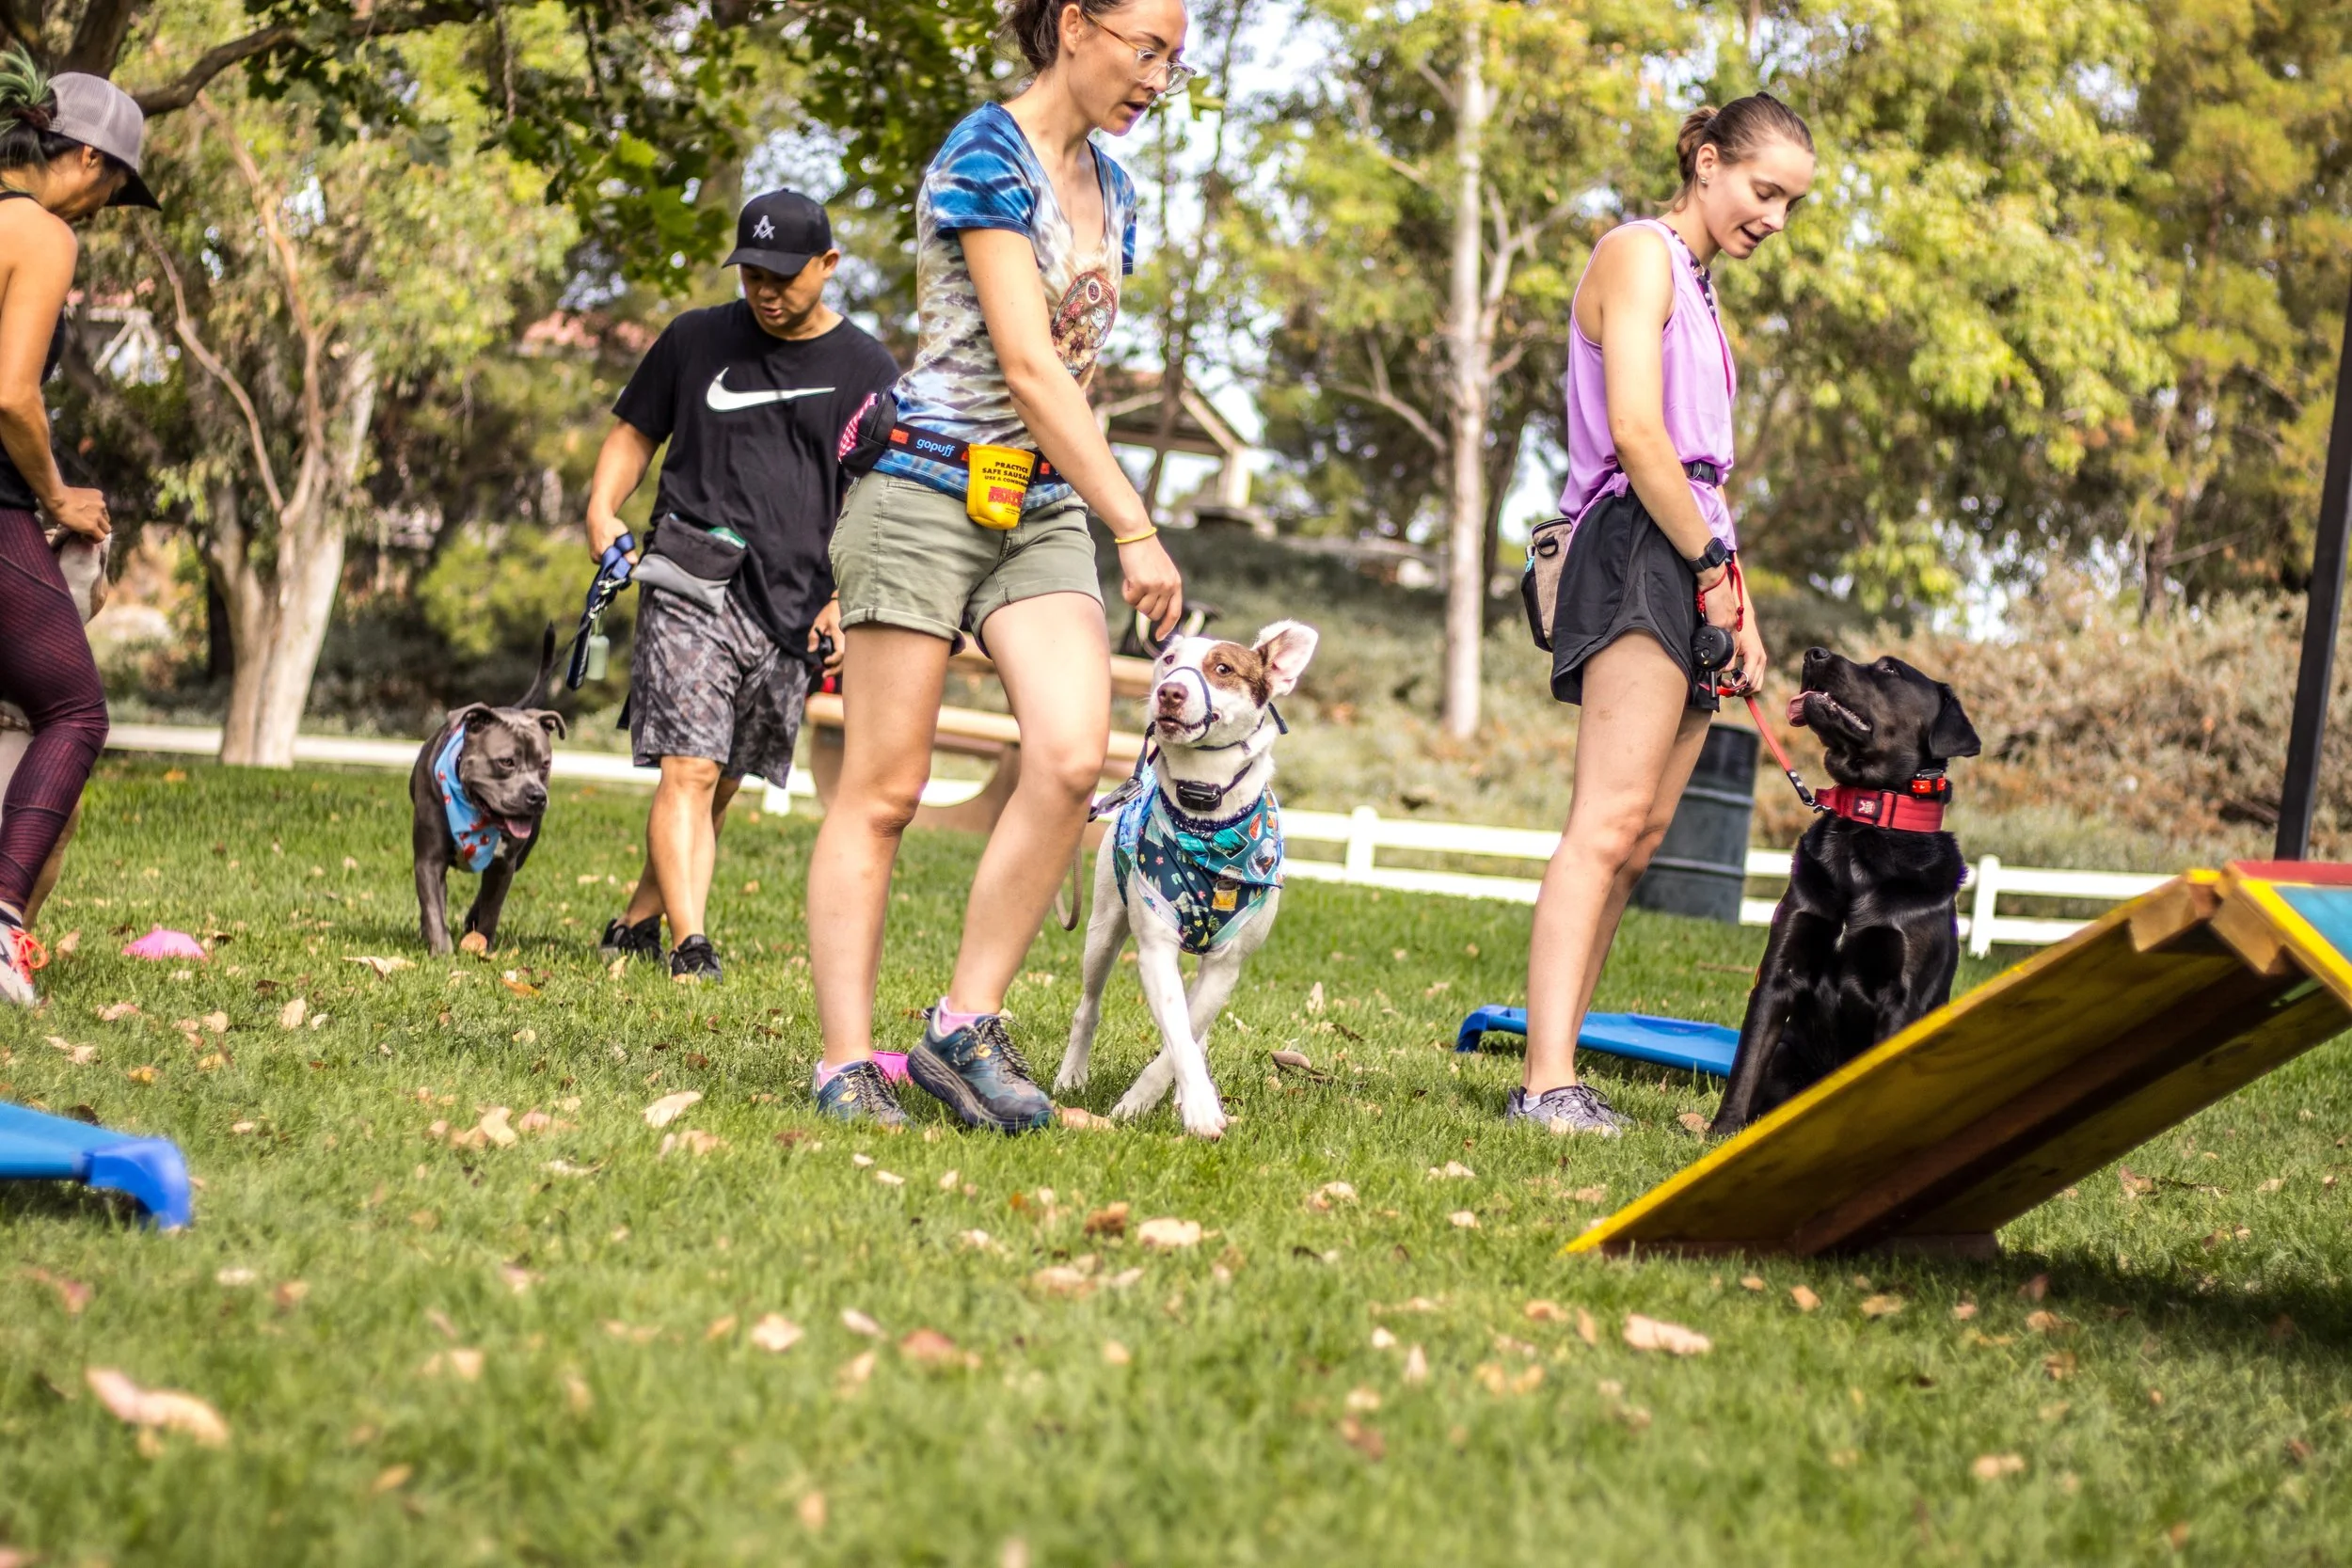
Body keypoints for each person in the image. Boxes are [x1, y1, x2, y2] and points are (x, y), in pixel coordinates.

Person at [803, 0, 1187, 1129]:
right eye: (1145, 47)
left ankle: (960, 1024)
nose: (1157, 77)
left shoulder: (1113, 189)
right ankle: (842, 1063)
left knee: (1069, 759)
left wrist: (1095, 502)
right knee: (883, 790)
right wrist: (1136, 523)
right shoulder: (983, 155)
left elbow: (1072, 365)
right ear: (1075, 23)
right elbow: (1025, 362)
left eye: (1174, 58)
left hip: (1037, 502)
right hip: (922, 487)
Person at [1517, 94, 1815, 1133]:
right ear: (1704, 159)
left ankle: (1563, 1071)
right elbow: (1639, 432)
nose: (1774, 217)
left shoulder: (1695, 283)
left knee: (1641, 836)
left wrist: (1734, 590)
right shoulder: (1639, 252)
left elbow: (1695, 465)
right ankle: (1544, 1081)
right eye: (1762, 190)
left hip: (1690, 543)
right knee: (1602, 822)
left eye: (1791, 204)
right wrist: (1708, 567)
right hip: (1640, 541)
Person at [586, 189, 898, 982]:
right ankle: (692, 947)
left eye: (783, 274)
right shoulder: (695, 338)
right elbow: (634, 433)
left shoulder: (866, 368)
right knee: (688, 767)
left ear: (828, 266)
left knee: (720, 780)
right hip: (692, 574)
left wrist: (841, 598)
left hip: (794, 606)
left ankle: (636, 922)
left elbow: (877, 497)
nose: (764, 288)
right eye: (752, 271)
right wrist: (600, 509)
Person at [0, 51, 158, 1006]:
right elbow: (12, 393)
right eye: (114, 189)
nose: (102, 210)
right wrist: (57, 495)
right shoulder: (41, 232)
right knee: (74, 709)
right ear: (90, 162)